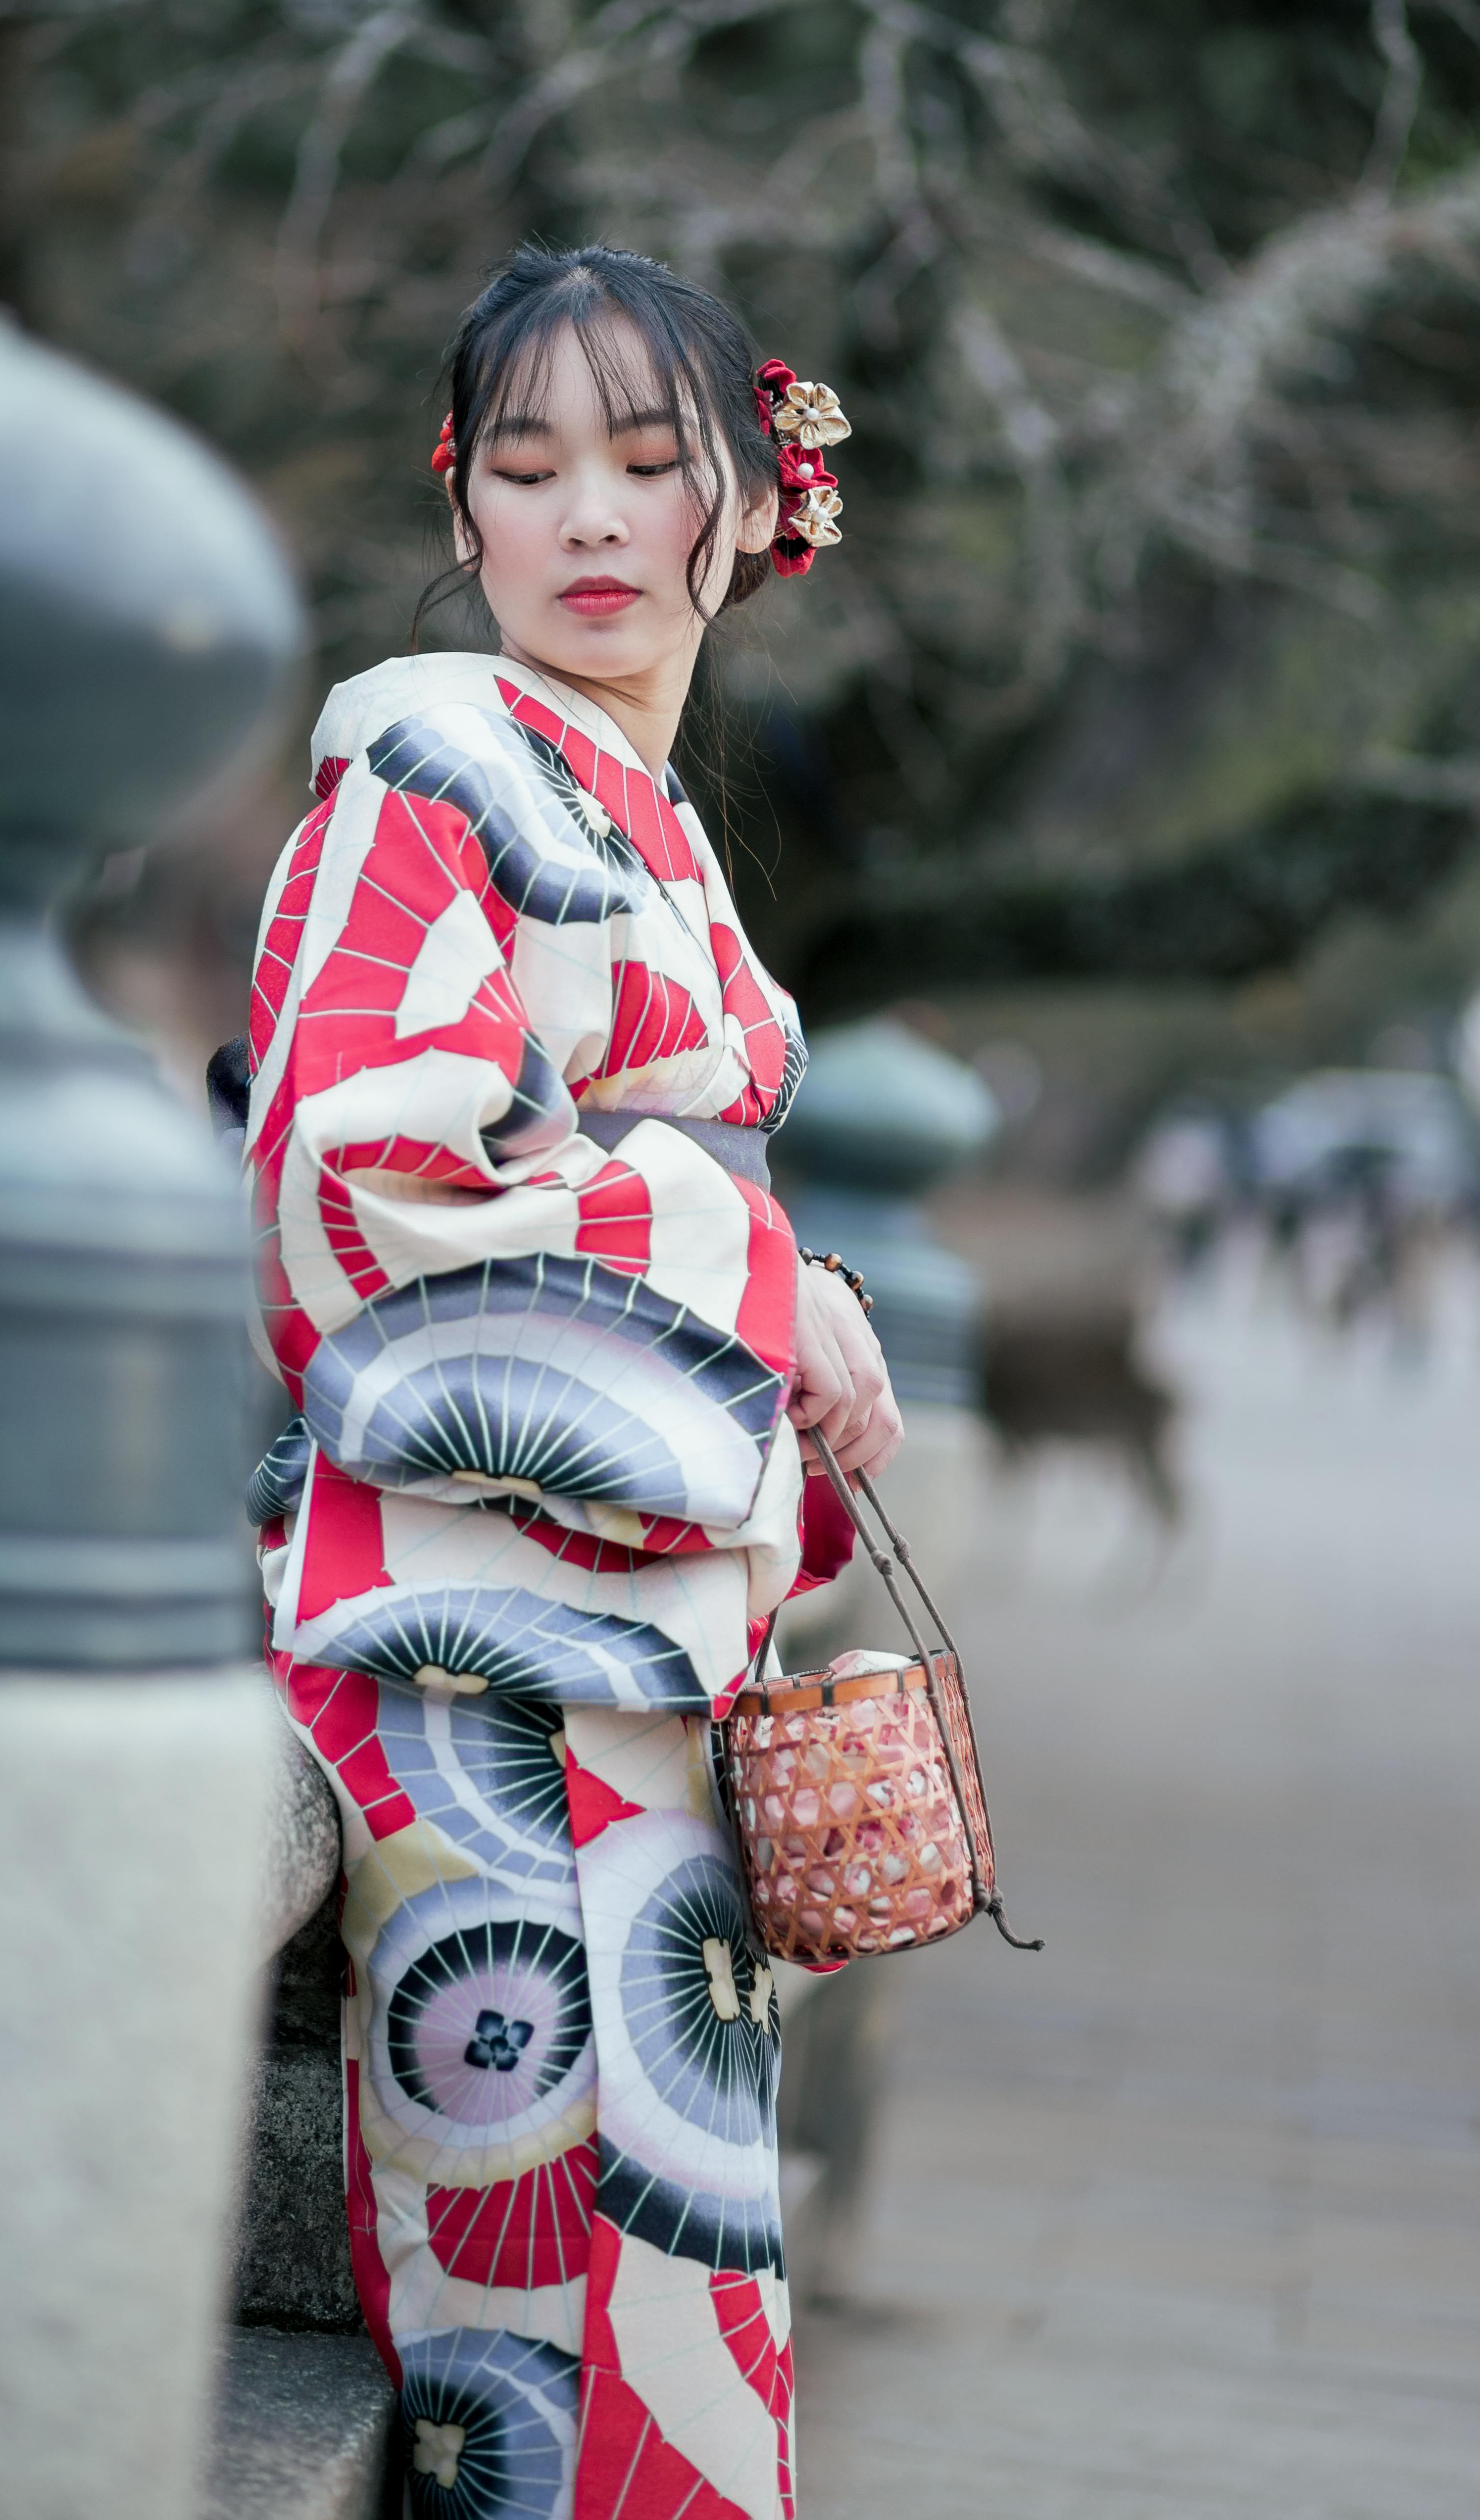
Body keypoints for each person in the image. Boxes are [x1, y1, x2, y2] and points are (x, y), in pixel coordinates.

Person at [239, 241, 902, 2519]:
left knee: (675, 2325)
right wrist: (753, 1268)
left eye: (647, 461)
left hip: (627, 1688)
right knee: (548, 2352)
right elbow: (356, 1193)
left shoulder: (647, 818)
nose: (591, 519)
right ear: (466, 511)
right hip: (476, 1692)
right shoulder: (430, 768)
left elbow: (621, 1183)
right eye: (528, 467)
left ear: (747, 502)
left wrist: (788, 1305)